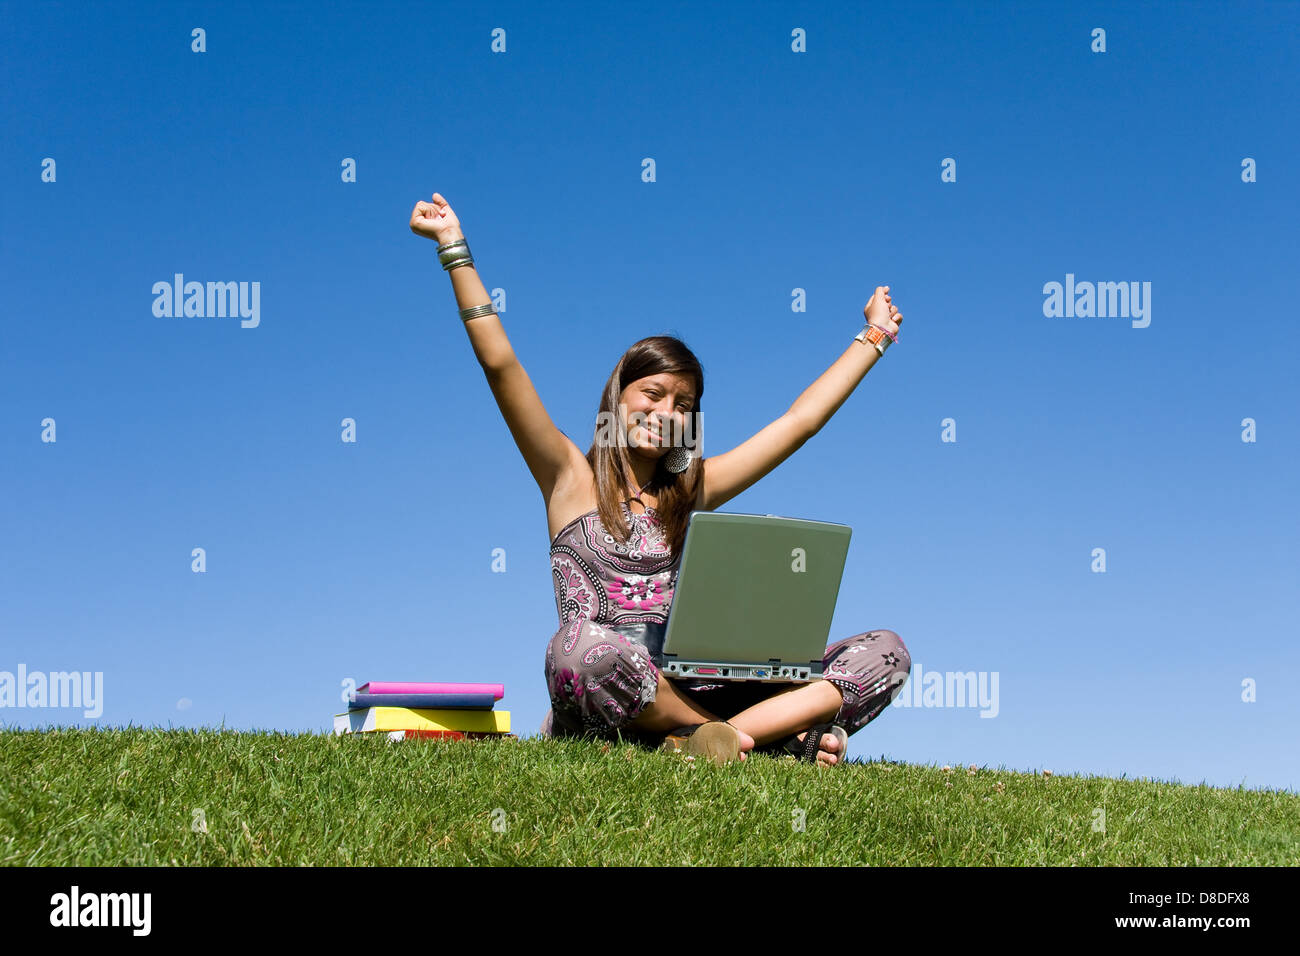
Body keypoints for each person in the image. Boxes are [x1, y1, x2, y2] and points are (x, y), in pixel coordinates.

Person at [410, 192, 911, 767]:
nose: (665, 412)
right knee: (575, 651)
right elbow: (500, 365)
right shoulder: (567, 476)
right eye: (652, 393)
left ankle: (720, 743)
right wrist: (455, 250)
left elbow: (799, 423)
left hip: (696, 682)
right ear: (618, 395)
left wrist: (873, 338)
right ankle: (760, 739)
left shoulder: (694, 488)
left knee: (886, 653)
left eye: (682, 404)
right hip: (617, 691)